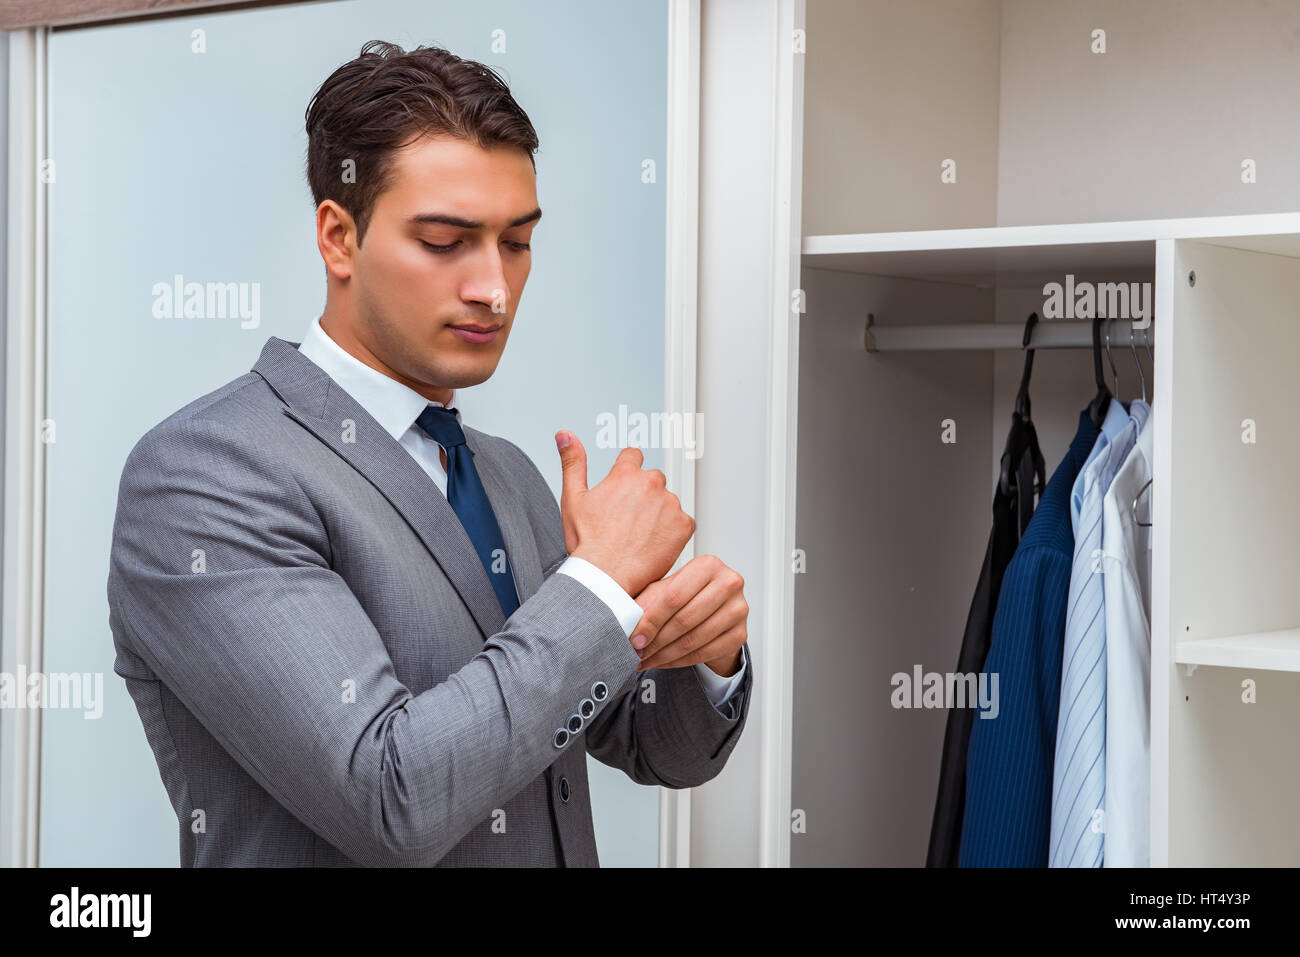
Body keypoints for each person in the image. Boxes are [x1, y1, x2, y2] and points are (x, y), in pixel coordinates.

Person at [106, 40, 752, 867]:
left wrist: (706, 655)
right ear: (339, 239)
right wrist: (598, 584)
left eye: (516, 242)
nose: (494, 287)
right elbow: (390, 796)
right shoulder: (203, 475)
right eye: (448, 241)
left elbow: (659, 749)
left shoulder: (511, 476)